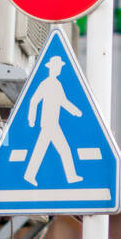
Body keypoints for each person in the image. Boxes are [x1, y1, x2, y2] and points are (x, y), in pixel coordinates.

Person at [24, 55, 82, 185]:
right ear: (52, 68)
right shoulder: (46, 83)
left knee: (42, 150)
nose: (60, 69)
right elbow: (34, 100)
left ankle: (29, 175)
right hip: (49, 124)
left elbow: (63, 101)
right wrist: (31, 119)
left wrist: (75, 111)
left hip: (52, 123)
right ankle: (71, 176)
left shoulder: (57, 84)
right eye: (58, 67)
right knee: (63, 150)